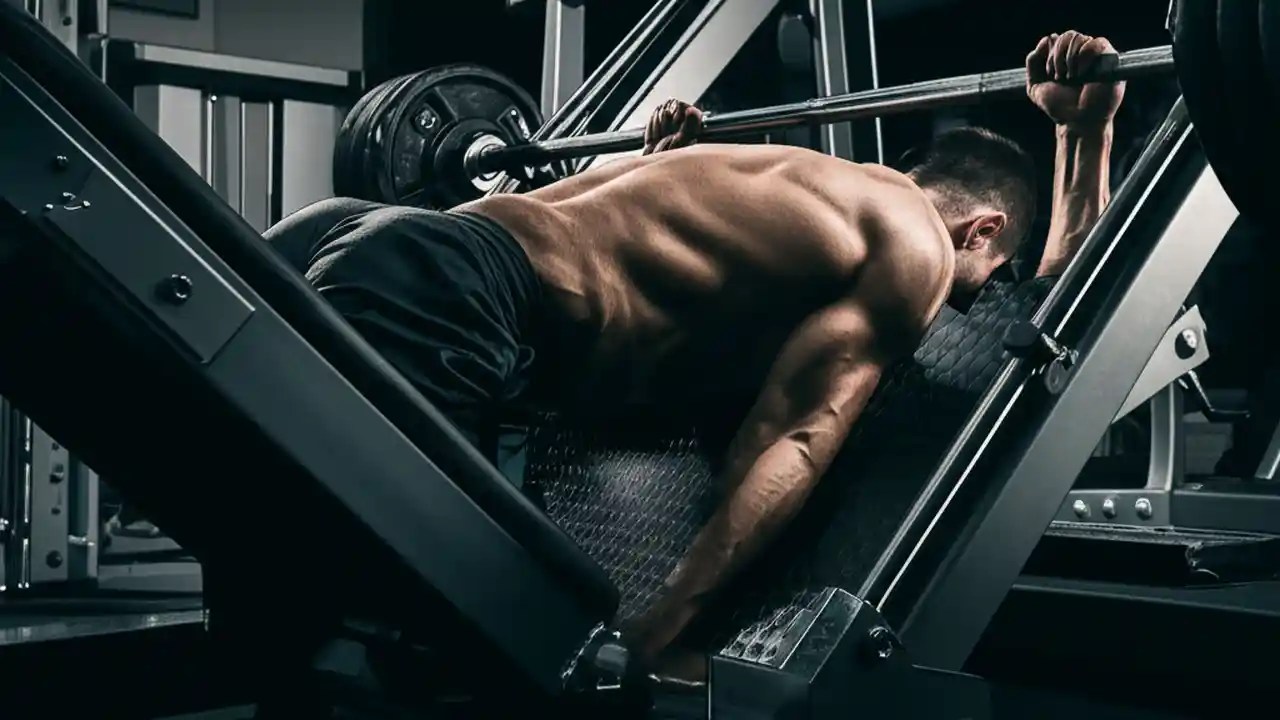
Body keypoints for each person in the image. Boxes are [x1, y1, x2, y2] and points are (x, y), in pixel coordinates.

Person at [264, 30, 1124, 675]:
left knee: (260, 542)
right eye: (984, 279)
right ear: (982, 229)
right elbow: (792, 438)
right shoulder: (914, 246)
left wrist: (1080, 134)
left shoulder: (765, 177)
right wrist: (667, 628)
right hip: (451, 289)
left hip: (362, 237)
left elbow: (1061, 298)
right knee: (401, 628)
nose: (963, 307)